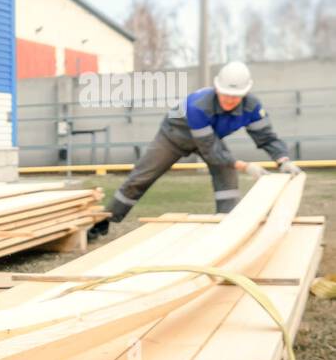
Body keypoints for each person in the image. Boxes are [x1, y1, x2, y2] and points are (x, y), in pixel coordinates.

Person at [93, 60, 300, 237]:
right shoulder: (197, 105)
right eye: (224, 94)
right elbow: (210, 149)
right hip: (173, 135)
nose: (229, 100)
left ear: (245, 93)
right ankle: (105, 220)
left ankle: (226, 226)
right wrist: (245, 166)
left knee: (226, 176)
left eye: (234, 96)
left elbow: (266, 136)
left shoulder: (253, 107)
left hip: (210, 136)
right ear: (217, 88)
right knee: (141, 177)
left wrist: (283, 160)